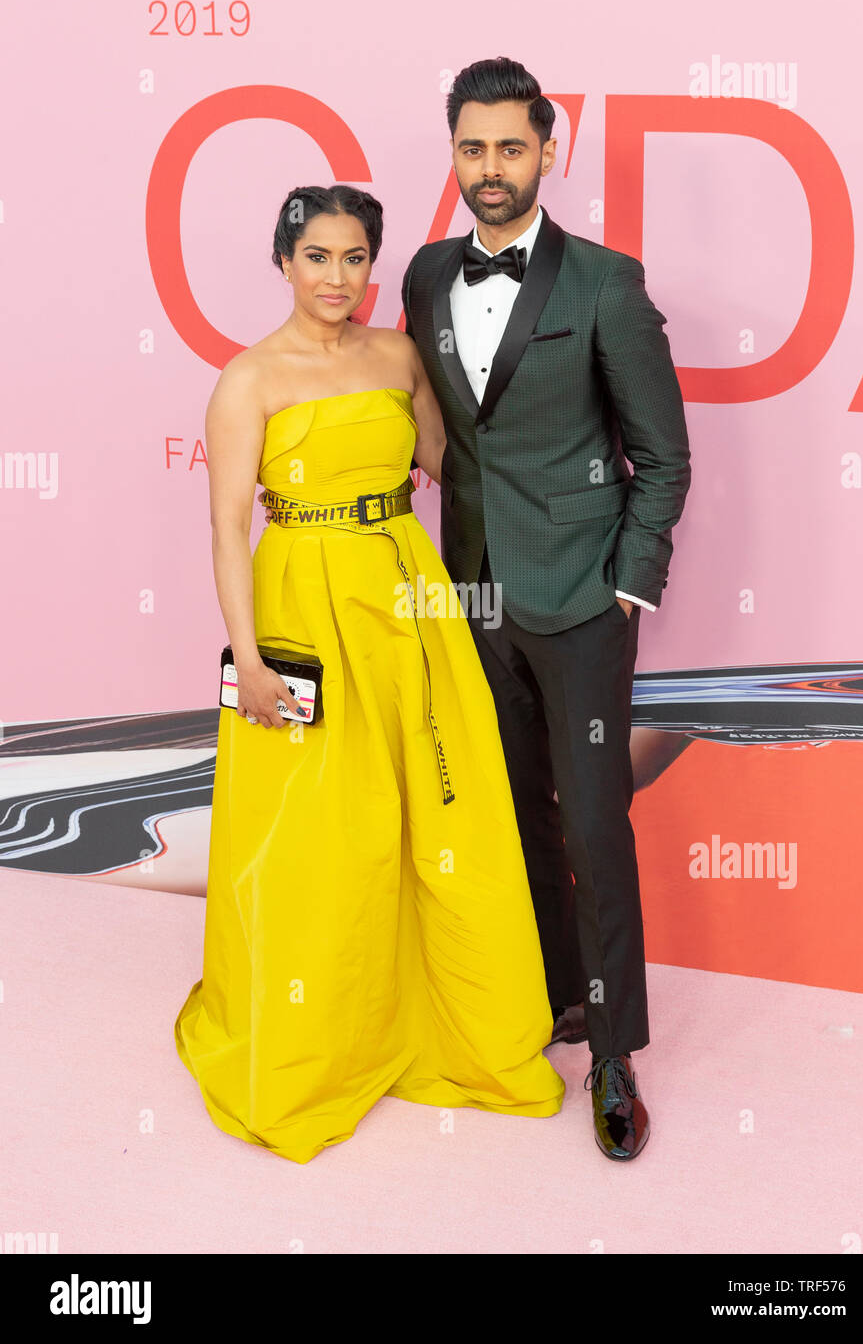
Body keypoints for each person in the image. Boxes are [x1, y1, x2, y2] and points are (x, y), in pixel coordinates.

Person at [174, 184, 565, 1165]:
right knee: (320, 830)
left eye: (353, 258)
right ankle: (317, 1040)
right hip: (302, 601)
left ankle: (441, 1020)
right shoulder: (247, 380)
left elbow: (444, 460)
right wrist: (250, 657)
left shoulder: (396, 356)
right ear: (284, 262)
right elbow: (226, 526)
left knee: (437, 808)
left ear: (372, 267)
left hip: (406, 597)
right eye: (317, 257)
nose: (336, 277)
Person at [400, 57, 691, 1161]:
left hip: (579, 600)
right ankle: (555, 997)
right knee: (511, 809)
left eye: (509, 147)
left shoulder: (606, 284)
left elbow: (661, 456)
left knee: (590, 820)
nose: (489, 169)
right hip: (472, 590)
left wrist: (629, 582)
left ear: (546, 148)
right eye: (471, 148)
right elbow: (442, 432)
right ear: (454, 154)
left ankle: (614, 1051)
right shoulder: (424, 277)